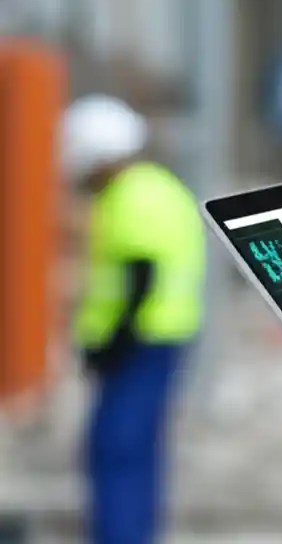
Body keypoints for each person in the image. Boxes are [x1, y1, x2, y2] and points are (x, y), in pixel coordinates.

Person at [62, 95, 205, 544]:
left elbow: (140, 275)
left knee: (116, 451)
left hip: (140, 344)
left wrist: (109, 346)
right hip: (160, 339)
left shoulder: (132, 195)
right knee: (139, 451)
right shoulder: (159, 186)